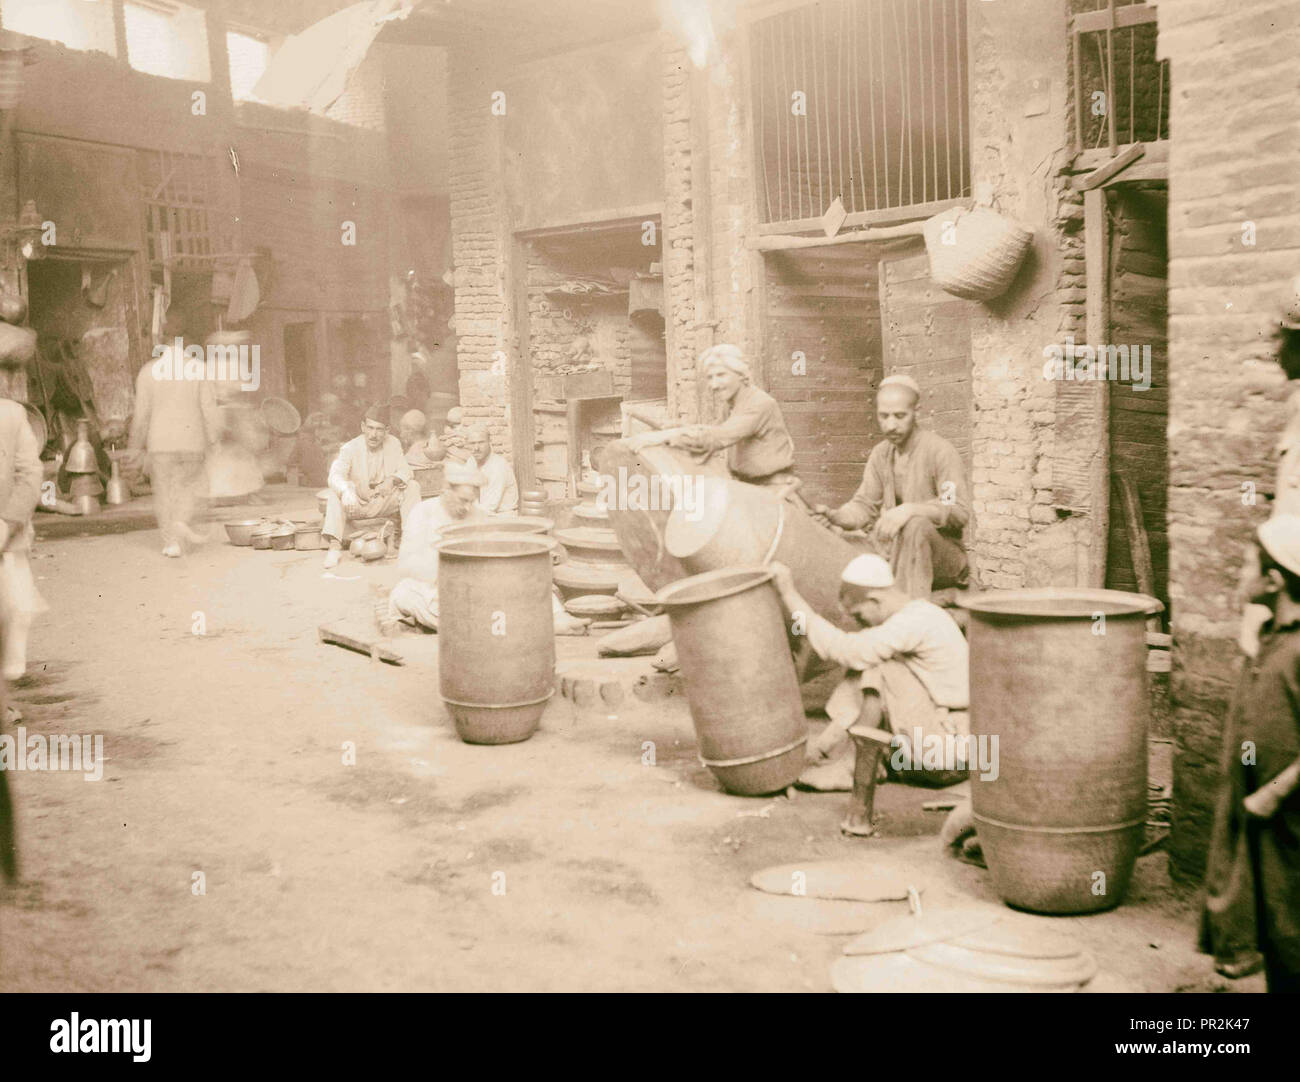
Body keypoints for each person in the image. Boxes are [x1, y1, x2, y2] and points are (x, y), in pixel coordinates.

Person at [768, 555, 970, 794]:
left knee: (875, 665)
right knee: (868, 660)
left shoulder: (914, 622)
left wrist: (788, 594)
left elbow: (845, 650)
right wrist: (824, 747)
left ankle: (855, 767)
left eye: (860, 616)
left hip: (948, 757)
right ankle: (833, 752)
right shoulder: (919, 614)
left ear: (875, 600)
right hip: (942, 748)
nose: (861, 624)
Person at [1200, 515, 1300, 994]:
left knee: (1293, 929)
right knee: (1274, 926)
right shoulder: (1271, 640)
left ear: (1275, 580)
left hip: (1288, 816)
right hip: (1265, 820)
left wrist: (1274, 796)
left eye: (1246, 565)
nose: (1239, 575)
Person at [385, 458, 587, 635]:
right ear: (446, 491)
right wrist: (447, 565)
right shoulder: (422, 513)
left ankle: (559, 617)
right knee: (404, 593)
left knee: (523, 578)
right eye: (462, 500)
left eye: (471, 501)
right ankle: (533, 626)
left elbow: (500, 544)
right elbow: (405, 566)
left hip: (478, 585)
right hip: (436, 587)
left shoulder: (477, 514)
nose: (466, 507)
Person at [815, 374, 970, 598]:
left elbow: (957, 510)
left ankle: (907, 616)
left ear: (917, 412)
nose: (890, 425)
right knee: (841, 541)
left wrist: (910, 510)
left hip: (944, 558)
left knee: (915, 526)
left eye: (899, 416)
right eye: (883, 416)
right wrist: (835, 516)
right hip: (895, 552)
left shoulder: (940, 452)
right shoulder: (881, 454)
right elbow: (864, 506)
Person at [626, 343, 796, 486]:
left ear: (741, 374)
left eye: (721, 375)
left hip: (772, 486)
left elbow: (718, 437)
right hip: (745, 483)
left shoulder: (759, 404)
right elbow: (713, 429)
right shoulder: (732, 403)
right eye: (710, 377)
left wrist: (665, 436)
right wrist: (681, 428)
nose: (714, 385)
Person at [125, 310, 221, 558]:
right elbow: (209, 410)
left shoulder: (148, 371)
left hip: (160, 444)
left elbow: (141, 417)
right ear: (187, 342)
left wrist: (134, 448)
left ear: (163, 342)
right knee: (188, 486)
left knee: (165, 490)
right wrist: (215, 440)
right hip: (193, 442)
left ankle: (171, 542)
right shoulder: (199, 368)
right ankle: (182, 521)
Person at [322, 404, 418, 569]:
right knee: (334, 493)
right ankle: (334, 548)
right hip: (357, 503)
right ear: (363, 427)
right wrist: (345, 490)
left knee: (413, 487)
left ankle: (411, 541)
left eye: (379, 429)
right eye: (370, 428)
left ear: (387, 430)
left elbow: (406, 470)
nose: (374, 435)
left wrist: (392, 479)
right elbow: (335, 475)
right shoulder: (350, 448)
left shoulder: (393, 443)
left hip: (382, 501)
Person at [0, 398, 44, 681]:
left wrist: (7, 522)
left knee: (17, 609)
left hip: (5, 536)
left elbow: (30, 474)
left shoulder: (11, 415)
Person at [447, 423, 517, 514]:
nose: (476, 448)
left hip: (502, 518)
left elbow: (488, 508)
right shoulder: (472, 461)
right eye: (472, 443)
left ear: (489, 442)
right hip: (482, 515)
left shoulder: (498, 466)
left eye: (481, 442)